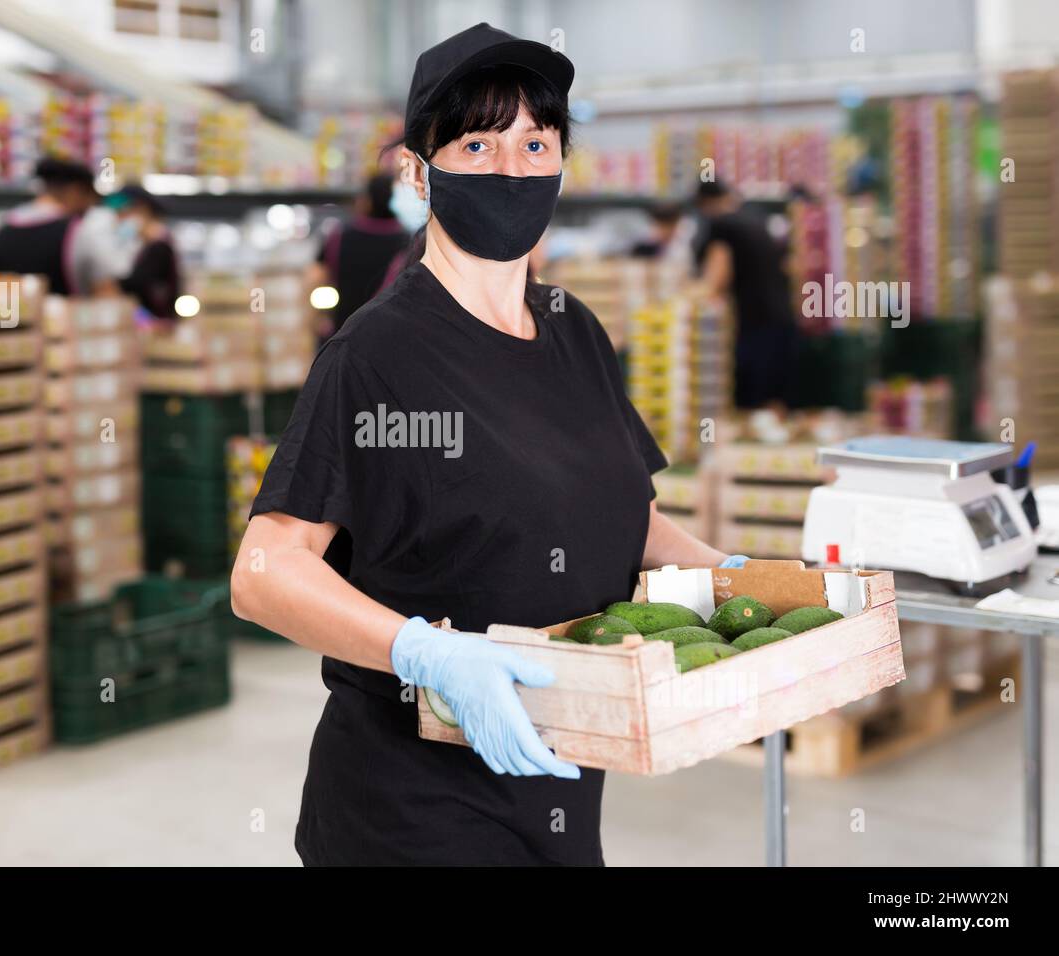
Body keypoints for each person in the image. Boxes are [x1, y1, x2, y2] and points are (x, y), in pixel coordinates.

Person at [231, 22, 746, 867]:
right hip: (410, 809)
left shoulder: (573, 329)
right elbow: (263, 574)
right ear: (417, 173)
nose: (512, 168)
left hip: (559, 781)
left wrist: (739, 583)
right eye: (477, 143)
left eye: (536, 142)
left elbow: (631, 523)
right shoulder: (376, 355)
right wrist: (425, 653)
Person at [694, 179, 799, 409]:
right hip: (782, 318)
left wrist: (690, 297)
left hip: (755, 322)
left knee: (752, 403)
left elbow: (716, 277)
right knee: (773, 405)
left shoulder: (722, 226)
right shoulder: (758, 219)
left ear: (705, 204)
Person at [0, 156, 120, 297]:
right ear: (76, 191)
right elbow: (107, 292)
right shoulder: (78, 232)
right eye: (90, 200)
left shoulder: (2, 229)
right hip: (69, 317)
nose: (88, 208)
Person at [310, 172, 409, 338]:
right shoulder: (409, 241)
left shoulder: (340, 236)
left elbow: (315, 277)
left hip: (342, 331)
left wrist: (317, 318)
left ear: (367, 200)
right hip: (389, 334)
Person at [109, 185, 180, 319]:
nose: (119, 220)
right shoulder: (147, 244)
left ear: (142, 209)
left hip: (156, 323)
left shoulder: (159, 246)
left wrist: (111, 283)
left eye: (122, 213)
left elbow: (139, 285)